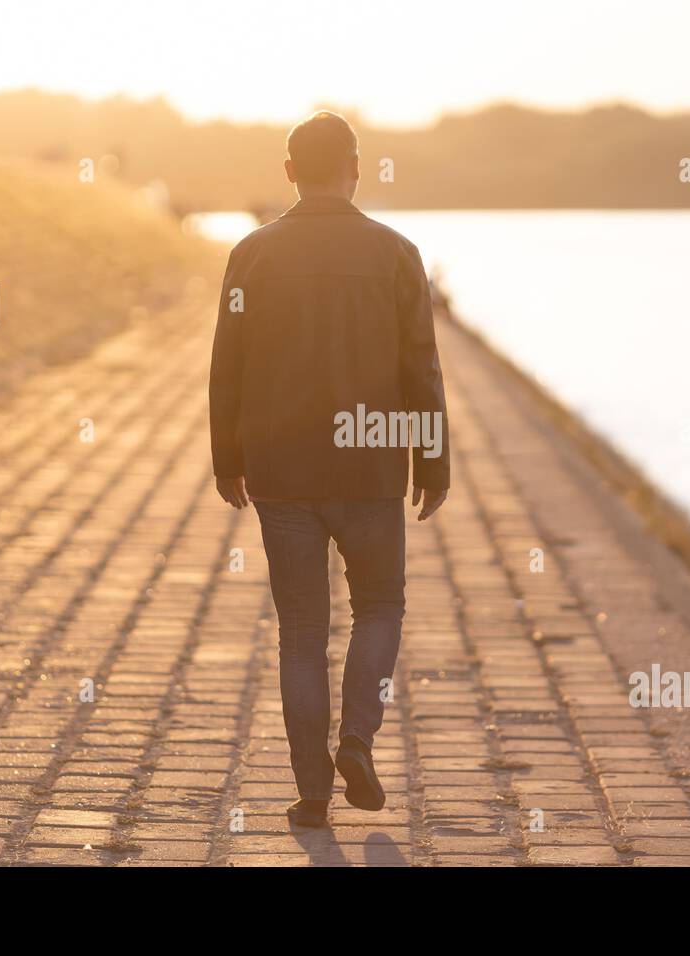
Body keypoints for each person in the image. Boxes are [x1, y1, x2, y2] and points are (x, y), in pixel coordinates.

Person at [209, 111, 450, 828]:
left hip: (282, 472)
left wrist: (229, 460)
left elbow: (228, 367)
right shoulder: (398, 254)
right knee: (379, 608)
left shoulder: (250, 255)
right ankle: (358, 741)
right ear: (358, 167)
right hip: (372, 466)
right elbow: (421, 369)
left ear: (288, 172)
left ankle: (312, 792)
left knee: (301, 634)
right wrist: (431, 462)